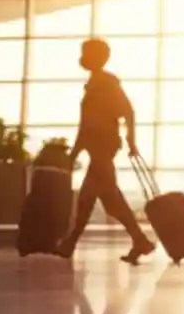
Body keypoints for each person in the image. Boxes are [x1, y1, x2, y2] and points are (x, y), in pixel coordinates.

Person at [56, 38, 156, 263]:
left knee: (97, 198)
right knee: (102, 199)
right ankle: (140, 241)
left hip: (103, 147)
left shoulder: (107, 83)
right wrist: (76, 151)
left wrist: (131, 140)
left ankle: (71, 243)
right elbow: (86, 123)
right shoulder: (95, 83)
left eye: (86, 52)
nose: (82, 57)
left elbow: (127, 111)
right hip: (97, 147)